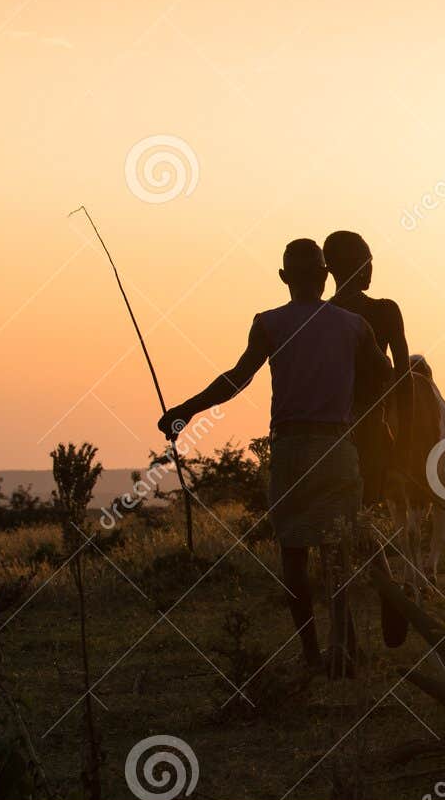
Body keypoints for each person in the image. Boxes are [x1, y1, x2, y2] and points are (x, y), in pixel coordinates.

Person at [158, 238, 388, 678]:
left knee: (295, 554)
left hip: (290, 450)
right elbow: (384, 376)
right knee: (337, 552)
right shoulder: (356, 326)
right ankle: (344, 651)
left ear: (284, 278)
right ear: (325, 277)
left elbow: (236, 380)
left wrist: (184, 412)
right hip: (337, 446)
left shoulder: (268, 325)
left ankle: (312, 654)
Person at [322, 231, 409, 508]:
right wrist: (405, 438)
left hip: (327, 429)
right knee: (366, 509)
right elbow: (403, 378)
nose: (372, 267)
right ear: (360, 265)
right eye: (368, 260)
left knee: (338, 511)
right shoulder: (385, 311)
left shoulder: (317, 315)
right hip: (371, 426)